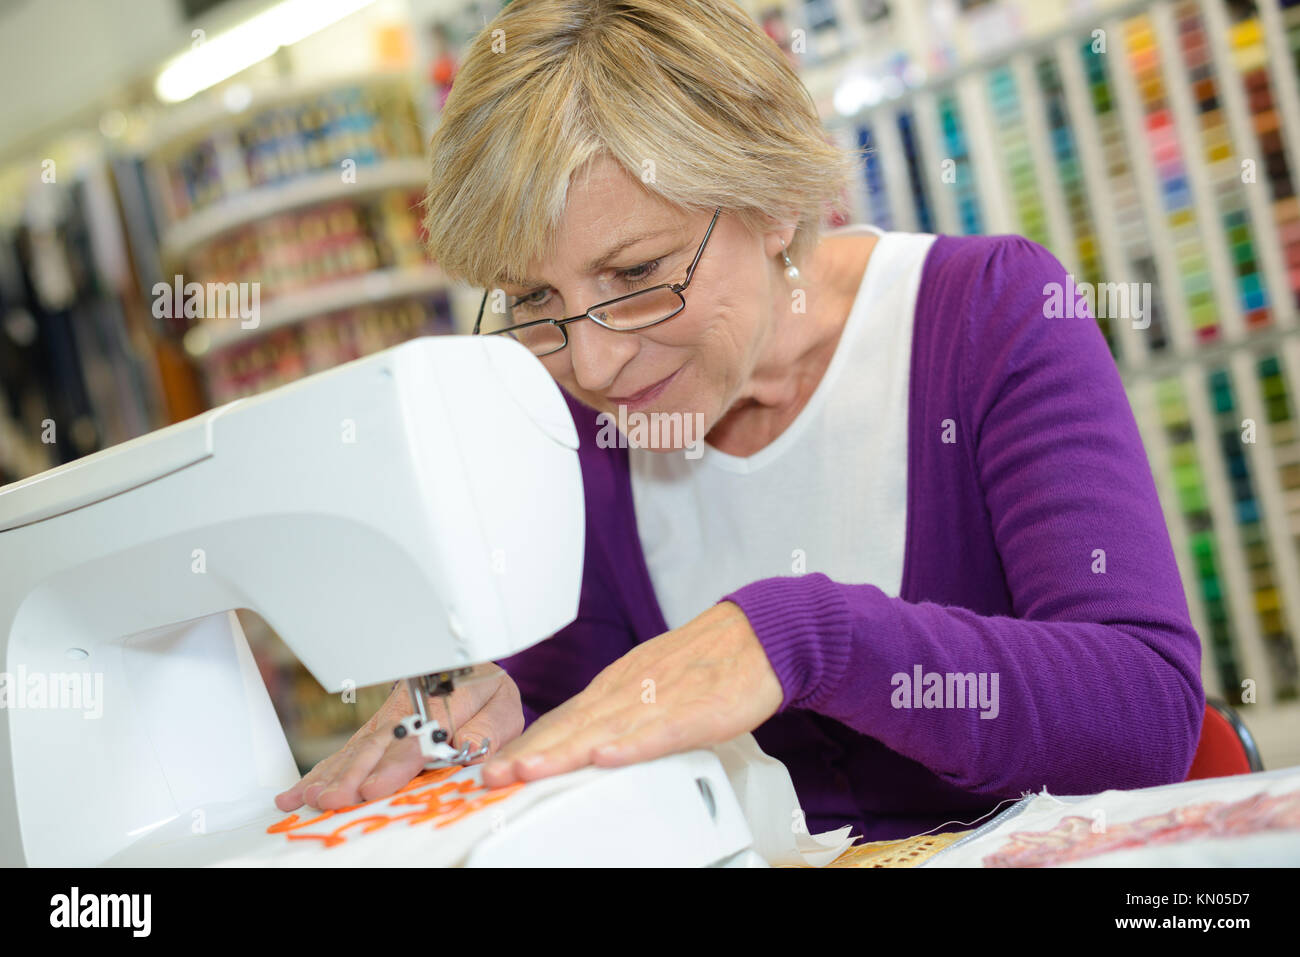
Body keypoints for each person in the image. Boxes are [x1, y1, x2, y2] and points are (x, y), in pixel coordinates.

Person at [276, 0, 1204, 841]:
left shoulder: (989, 317)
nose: (592, 364)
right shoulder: (577, 422)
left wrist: (804, 636)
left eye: (637, 277)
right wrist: (493, 705)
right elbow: (588, 706)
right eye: (533, 300)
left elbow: (1145, 714)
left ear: (774, 201)